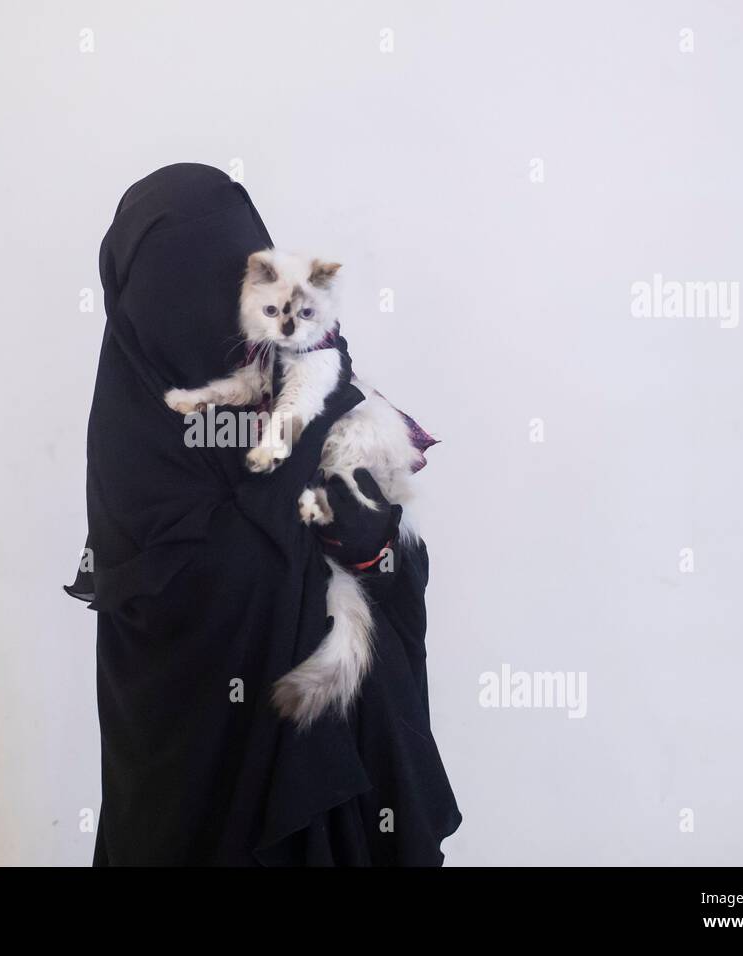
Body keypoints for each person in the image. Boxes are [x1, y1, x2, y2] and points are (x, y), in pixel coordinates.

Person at [66, 163, 461, 865]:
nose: (214, 307)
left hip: (347, 796)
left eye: (234, 279)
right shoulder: (138, 453)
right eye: (183, 283)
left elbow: (395, 563)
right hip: (194, 803)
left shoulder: (317, 392)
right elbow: (192, 611)